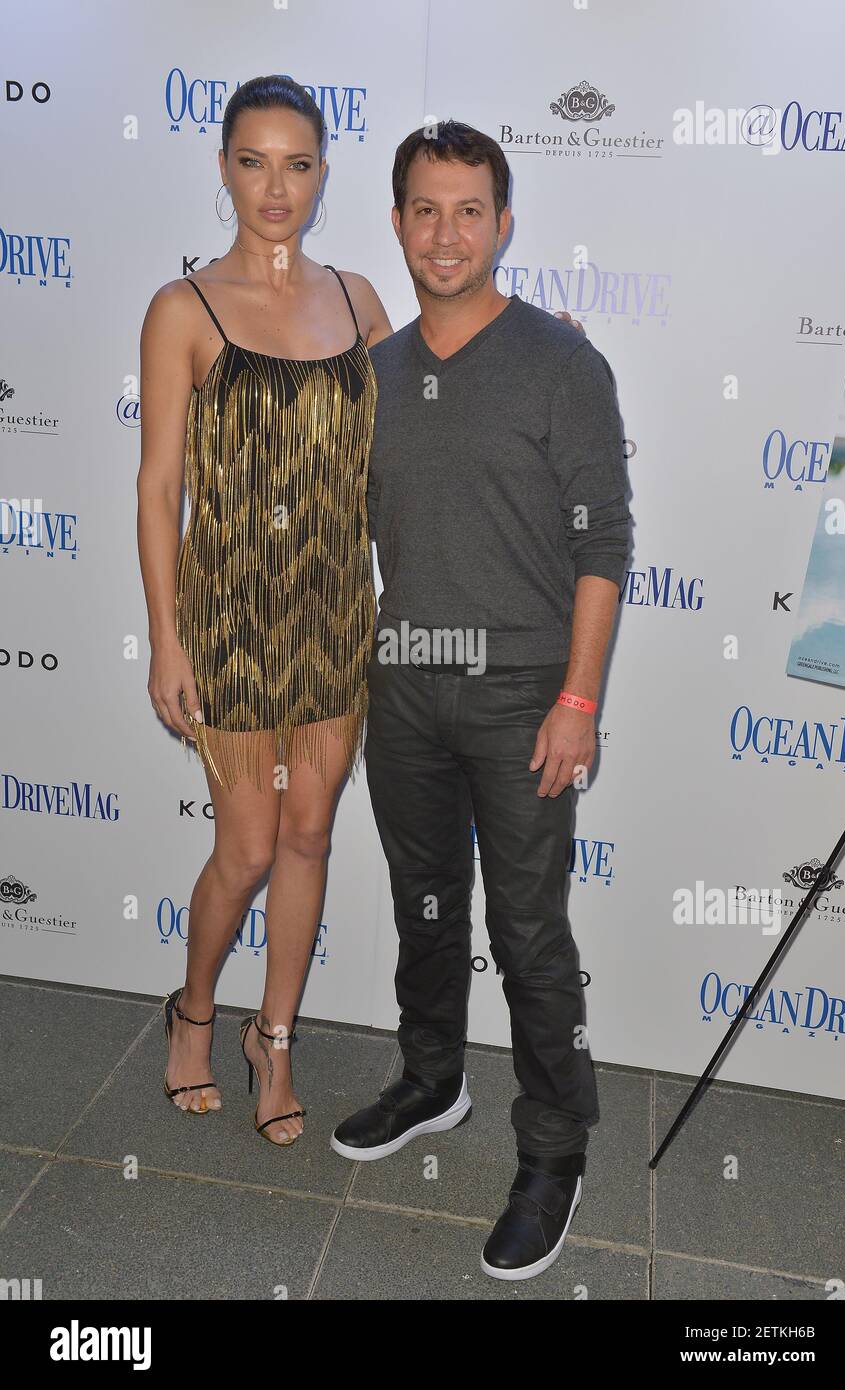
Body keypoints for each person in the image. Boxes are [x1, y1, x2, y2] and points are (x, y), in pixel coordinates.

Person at [330, 121, 633, 1280]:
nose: (445, 231)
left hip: (521, 699)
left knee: (528, 930)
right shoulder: (378, 373)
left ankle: (553, 1148)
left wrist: (577, 699)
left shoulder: (563, 362)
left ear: (503, 224)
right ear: (399, 221)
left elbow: (603, 542)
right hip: (402, 687)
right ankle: (432, 1078)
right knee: (422, 906)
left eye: (469, 210)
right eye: (423, 208)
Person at [136, 75, 392, 1145]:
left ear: (322, 172)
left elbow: (434, 413)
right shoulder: (182, 308)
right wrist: (166, 638)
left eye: (297, 163)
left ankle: (272, 1037)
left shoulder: (358, 296)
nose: (275, 186)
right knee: (244, 848)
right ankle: (194, 1009)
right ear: (224, 168)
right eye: (254, 161)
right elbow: (159, 486)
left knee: (309, 834)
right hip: (231, 624)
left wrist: (542, 345)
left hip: (336, 617)